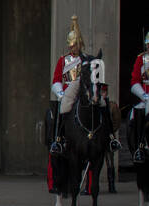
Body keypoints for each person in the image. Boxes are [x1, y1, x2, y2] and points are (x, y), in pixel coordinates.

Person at [49, 15, 118, 155]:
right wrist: (60, 93)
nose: (71, 47)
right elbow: (56, 80)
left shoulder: (88, 59)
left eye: (73, 44)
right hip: (69, 88)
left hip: (85, 87)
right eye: (70, 44)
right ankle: (58, 139)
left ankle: (111, 137)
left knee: (103, 103)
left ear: (79, 43)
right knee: (62, 105)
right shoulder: (63, 60)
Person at [131, 30, 149, 164]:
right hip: (146, 96)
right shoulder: (141, 59)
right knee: (135, 114)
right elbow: (135, 81)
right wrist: (143, 95)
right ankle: (140, 146)